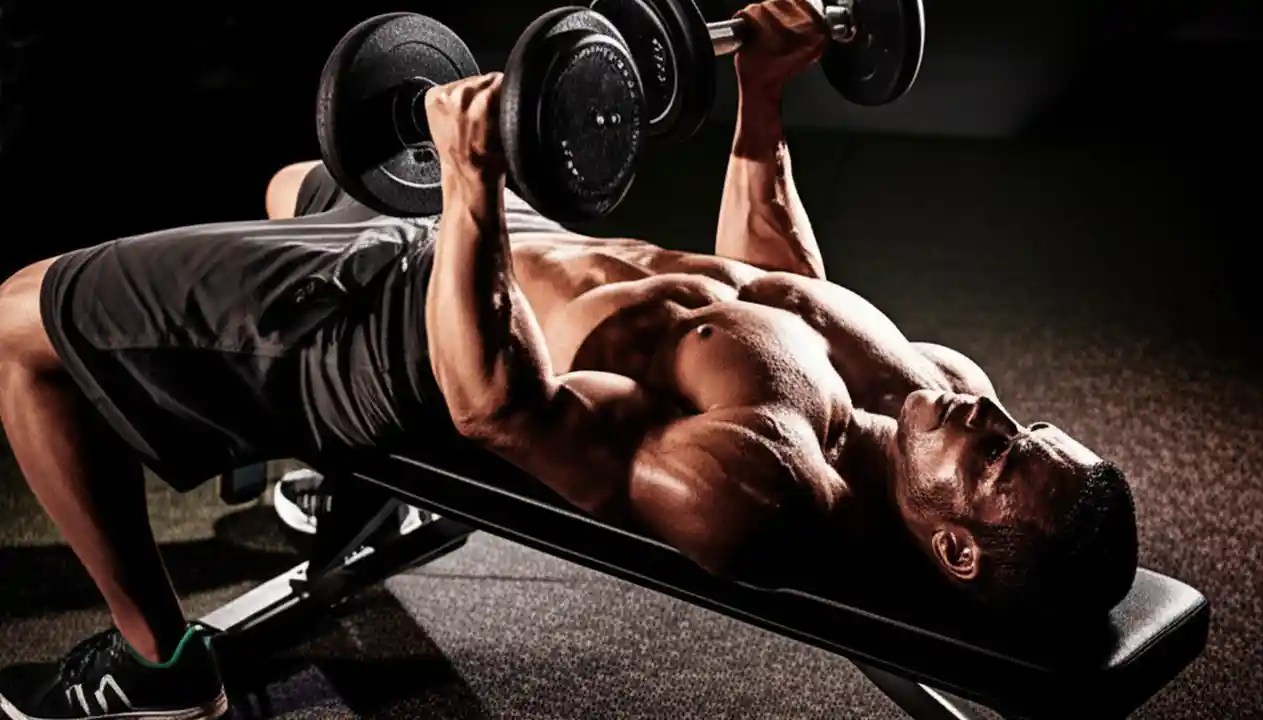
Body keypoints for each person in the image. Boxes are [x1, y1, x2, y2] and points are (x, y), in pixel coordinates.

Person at [0, 1, 1138, 717]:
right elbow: (786, 295)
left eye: (997, 464)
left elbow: (497, 409)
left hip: (411, 324)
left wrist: (469, 186)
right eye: (1024, 429)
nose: (992, 422)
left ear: (950, 548)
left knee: (15, 329)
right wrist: (759, 98)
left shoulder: (750, 489)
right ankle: (284, 435)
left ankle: (161, 671)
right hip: (525, 246)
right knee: (300, 180)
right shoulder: (941, 401)